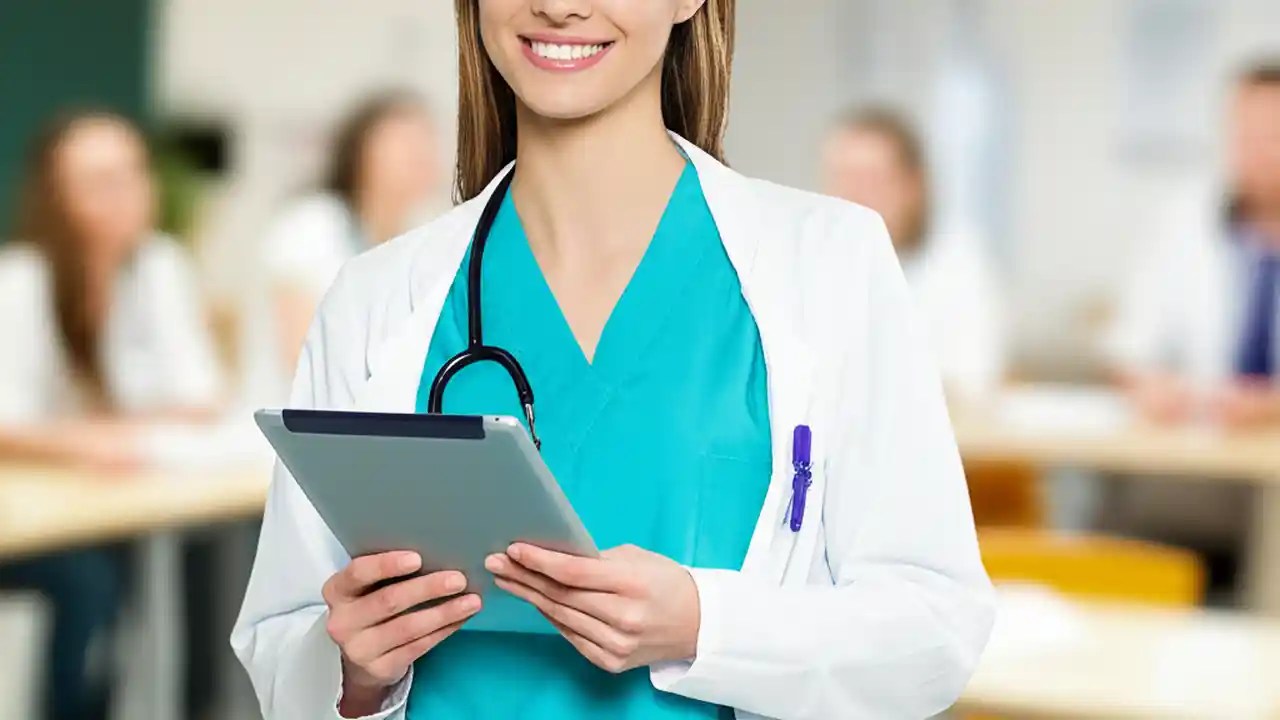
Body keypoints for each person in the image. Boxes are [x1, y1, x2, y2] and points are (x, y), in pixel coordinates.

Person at [233, 2, 994, 719]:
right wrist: (356, 674)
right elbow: (282, 642)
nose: (560, 5)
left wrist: (705, 625)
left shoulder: (829, 266)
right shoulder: (374, 300)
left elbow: (934, 629)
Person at [0, 111, 224, 719]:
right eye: (101, 179)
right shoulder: (21, 282)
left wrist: (99, 437)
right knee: (90, 583)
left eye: (134, 173)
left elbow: (200, 397)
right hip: (34, 521)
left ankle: (193, 702)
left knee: (203, 551)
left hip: (118, 503)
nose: (127, 193)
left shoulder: (158, 266)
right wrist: (92, 443)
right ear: (57, 195)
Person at [1107, 60, 1280, 426]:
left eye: (1271, 136)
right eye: (1243, 135)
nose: (1256, 153)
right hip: (1203, 448)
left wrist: (1270, 406)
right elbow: (1129, 346)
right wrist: (1149, 386)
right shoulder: (1182, 224)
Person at [823, 107, 1006, 402]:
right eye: (842, 177)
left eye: (870, 179)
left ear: (912, 185)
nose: (852, 194)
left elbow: (969, 384)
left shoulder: (956, 264)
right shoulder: (812, 263)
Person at [261, 91, 439, 379]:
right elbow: (303, 358)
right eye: (405, 143)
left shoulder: (426, 242)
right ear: (361, 152)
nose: (422, 154)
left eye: (426, 142)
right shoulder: (310, 226)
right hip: (303, 416)